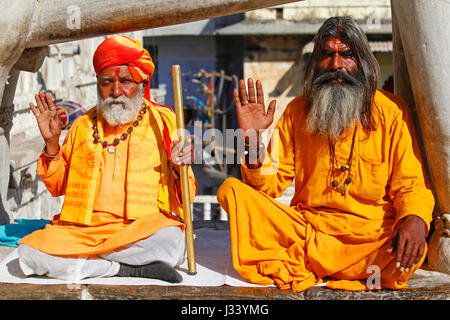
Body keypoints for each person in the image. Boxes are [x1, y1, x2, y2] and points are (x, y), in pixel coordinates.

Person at [217, 16, 435, 291]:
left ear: (363, 62)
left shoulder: (391, 112)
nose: (336, 66)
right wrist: (251, 141)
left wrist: (414, 221)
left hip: (371, 241)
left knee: (405, 250)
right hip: (310, 233)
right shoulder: (298, 110)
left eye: (346, 55)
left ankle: (312, 264)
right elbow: (268, 187)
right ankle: (335, 266)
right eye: (327, 55)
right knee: (232, 192)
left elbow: (411, 184)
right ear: (315, 61)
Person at [17, 36, 197, 283]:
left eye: (125, 81)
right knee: (29, 252)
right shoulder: (82, 126)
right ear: (98, 85)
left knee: (172, 242)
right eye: (106, 82)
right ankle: (122, 269)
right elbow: (57, 187)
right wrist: (51, 144)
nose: (115, 91)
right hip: (83, 231)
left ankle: (86, 262)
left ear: (142, 84)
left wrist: (179, 166)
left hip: (139, 231)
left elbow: (187, 196)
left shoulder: (163, 123)